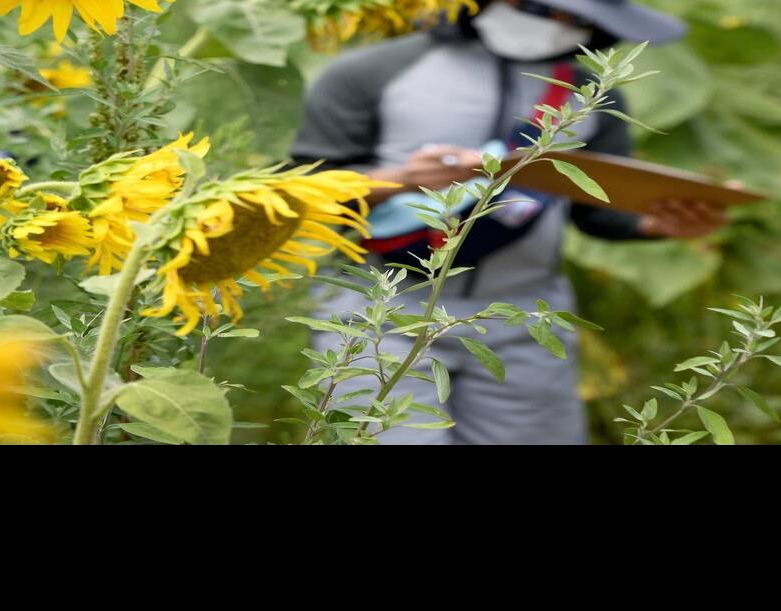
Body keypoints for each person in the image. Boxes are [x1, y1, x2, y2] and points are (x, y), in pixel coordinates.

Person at [291, 0, 729, 444]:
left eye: (575, 19)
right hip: (380, 311)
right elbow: (304, 191)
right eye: (540, 9)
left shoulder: (592, 94)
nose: (557, 26)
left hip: (526, 318)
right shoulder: (374, 71)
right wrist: (401, 180)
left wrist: (655, 226)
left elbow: (593, 212)